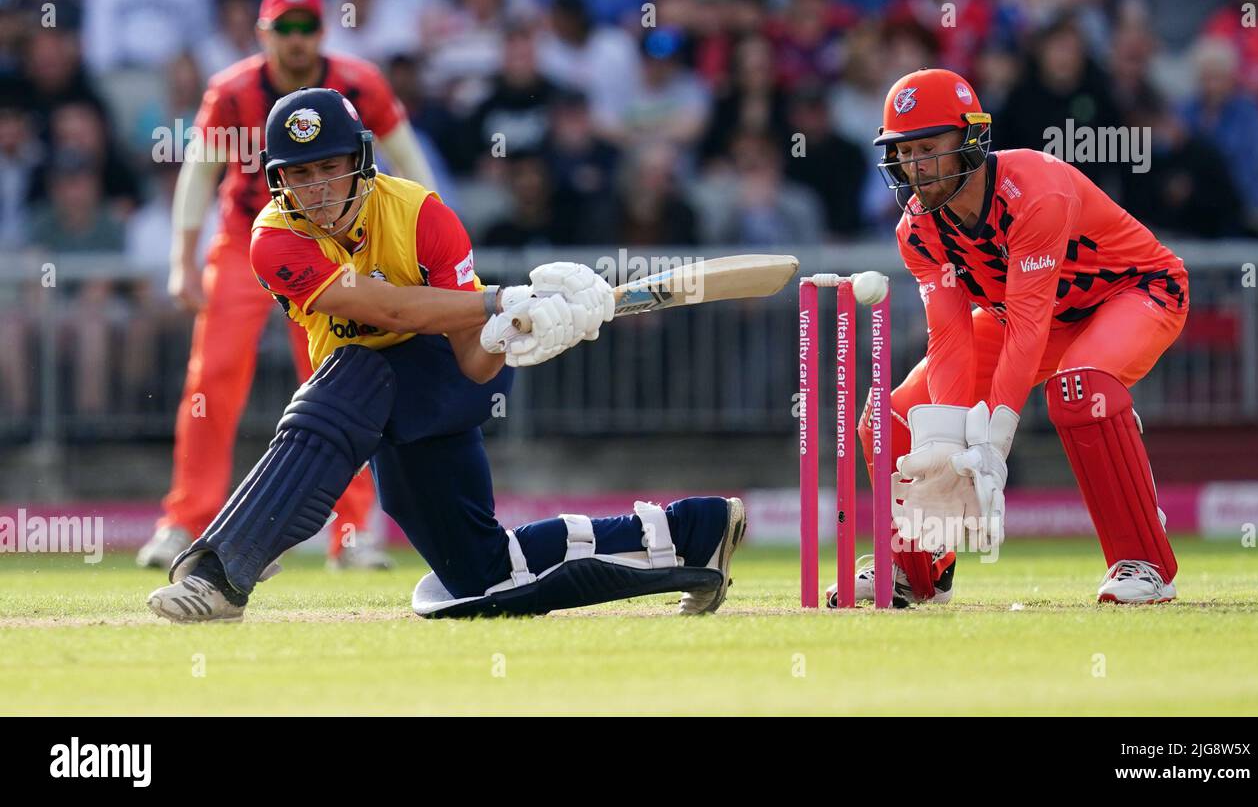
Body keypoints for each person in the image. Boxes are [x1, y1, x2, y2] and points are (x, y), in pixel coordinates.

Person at [146, 88, 745, 622]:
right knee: (485, 573)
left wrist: (510, 336)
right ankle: (692, 531)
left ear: (361, 162)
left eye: (330, 168)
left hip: (435, 381)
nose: (319, 189)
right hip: (380, 409)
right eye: (300, 175)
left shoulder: (422, 215)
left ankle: (221, 573)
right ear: (278, 182)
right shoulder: (274, 238)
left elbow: (472, 365)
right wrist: (503, 301)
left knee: (349, 377)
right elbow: (389, 310)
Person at [830, 68, 1188, 607]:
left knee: (1079, 387)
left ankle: (1145, 562)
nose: (915, 167)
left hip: (1135, 293)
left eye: (929, 148)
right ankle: (916, 567)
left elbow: (1027, 323)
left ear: (971, 140)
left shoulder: (1033, 190)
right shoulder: (917, 229)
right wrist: (944, 443)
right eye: (904, 152)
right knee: (893, 415)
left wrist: (993, 446)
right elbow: (949, 338)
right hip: (1030, 320)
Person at [136, 0, 440, 572]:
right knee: (212, 378)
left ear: (322, 31)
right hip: (250, 242)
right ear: (263, 33)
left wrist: (423, 235)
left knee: (338, 381)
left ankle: (353, 535)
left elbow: (410, 159)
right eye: (286, 28)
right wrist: (184, 259)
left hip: (332, 246)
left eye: (306, 27)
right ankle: (184, 522)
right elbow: (200, 173)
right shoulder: (231, 90)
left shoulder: (361, 84)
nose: (297, 40)